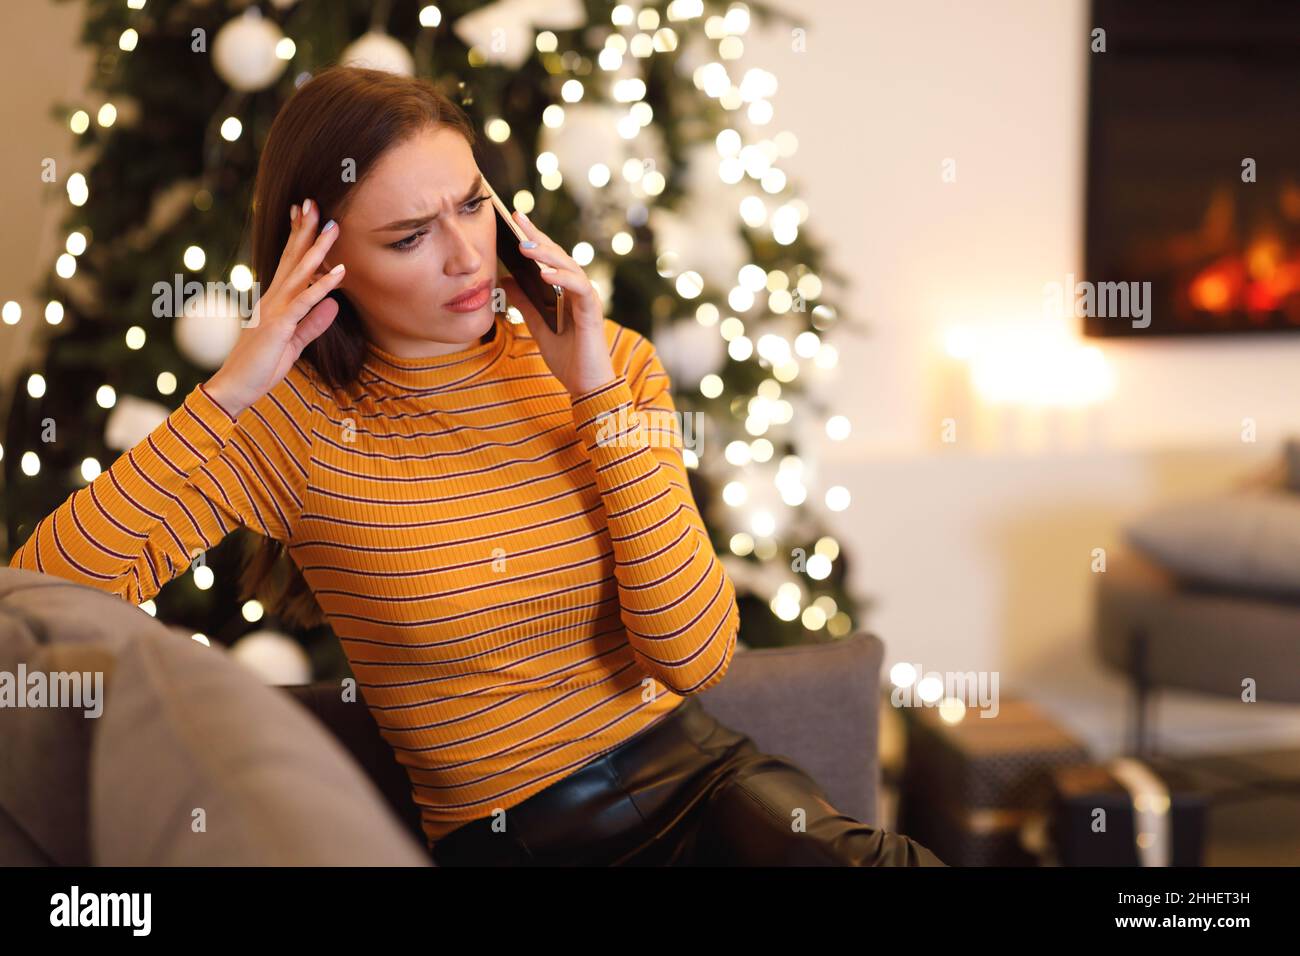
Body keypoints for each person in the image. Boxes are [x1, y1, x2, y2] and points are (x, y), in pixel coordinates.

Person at [9, 66, 945, 867]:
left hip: (705, 782)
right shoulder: (284, 424)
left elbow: (691, 654)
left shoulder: (604, 359)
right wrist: (234, 390)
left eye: (470, 207)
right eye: (411, 237)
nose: (467, 257)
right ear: (323, 263)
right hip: (518, 840)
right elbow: (41, 595)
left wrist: (594, 395)